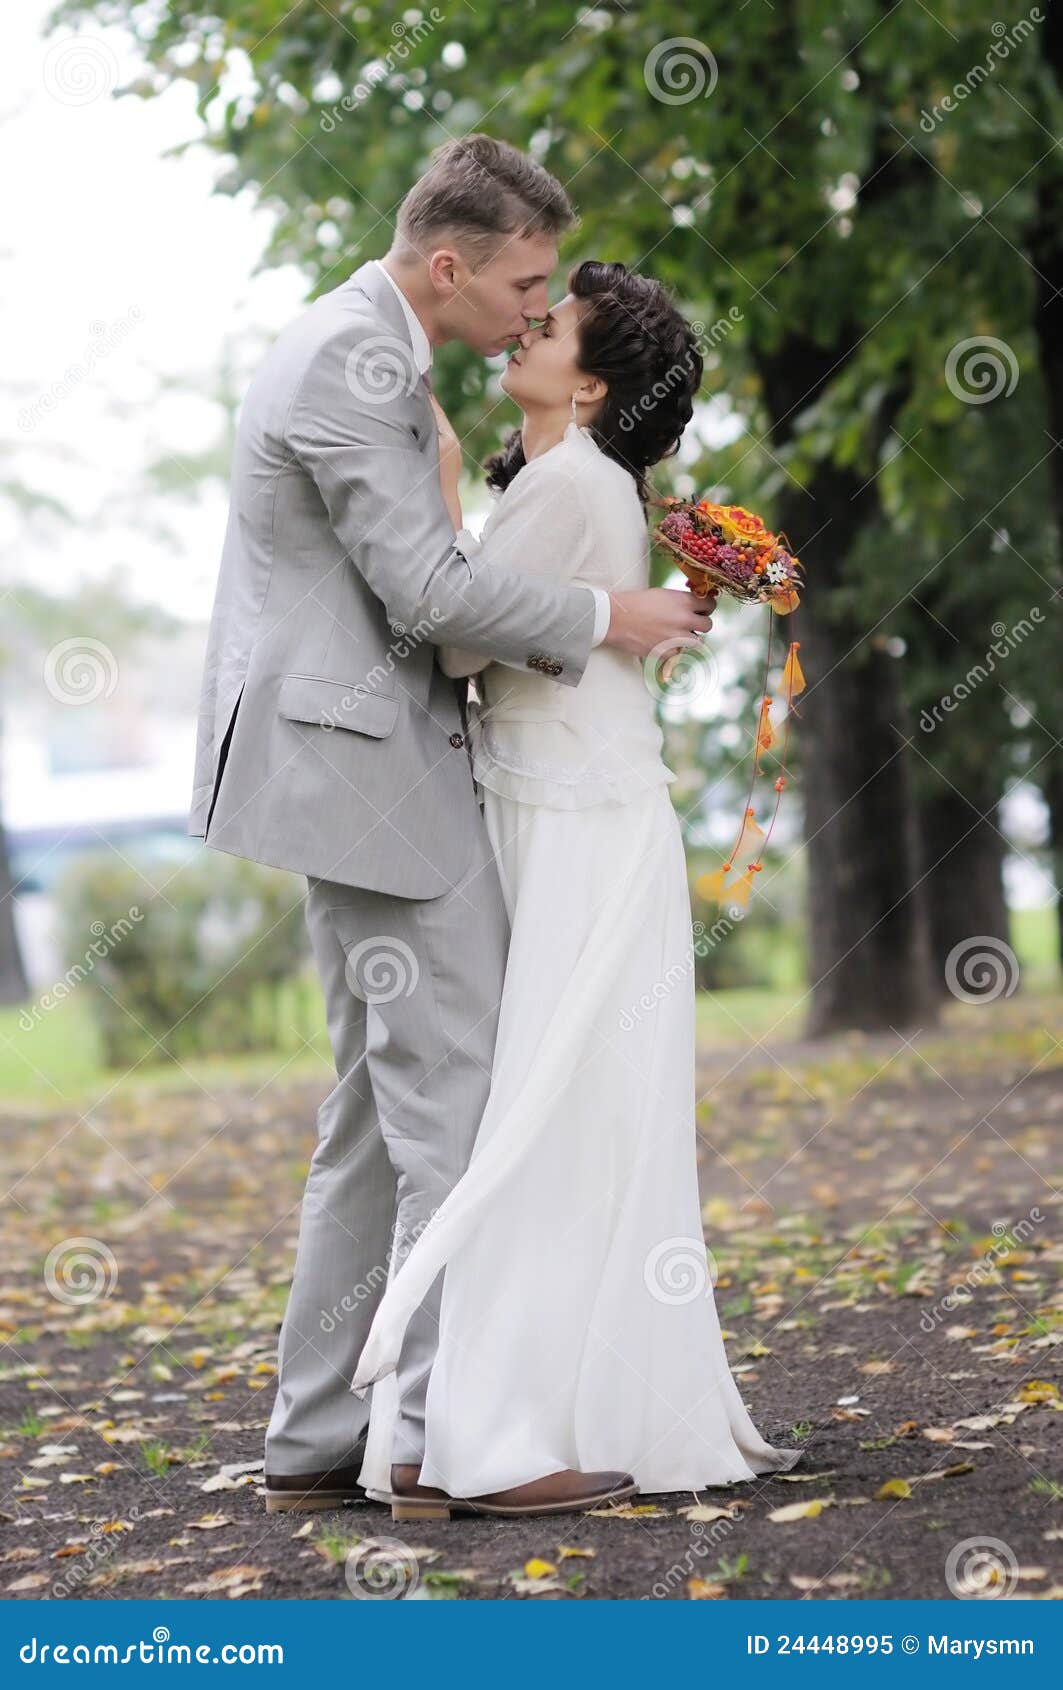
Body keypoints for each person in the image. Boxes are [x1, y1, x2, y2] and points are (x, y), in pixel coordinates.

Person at [187, 132, 716, 1517]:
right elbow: (427, 594)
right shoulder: (354, 364)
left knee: (374, 1112)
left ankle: (316, 1430)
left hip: (357, 760)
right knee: (457, 1107)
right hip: (368, 775)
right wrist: (613, 615)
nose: (532, 311)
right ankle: (438, 1443)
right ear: (448, 266)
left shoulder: (369, 346)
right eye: (524, 283)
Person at [349, 260, 803, 1521]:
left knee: (540, 1117)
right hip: (574, 820)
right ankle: (469, 1423)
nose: (523, 329)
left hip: (569, 832)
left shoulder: (568, 486)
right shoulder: (579, 486)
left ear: (590, 386)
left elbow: (450, 639)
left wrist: (437, 498)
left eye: (546, 327)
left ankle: (479, 1431)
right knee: (562, 1115)